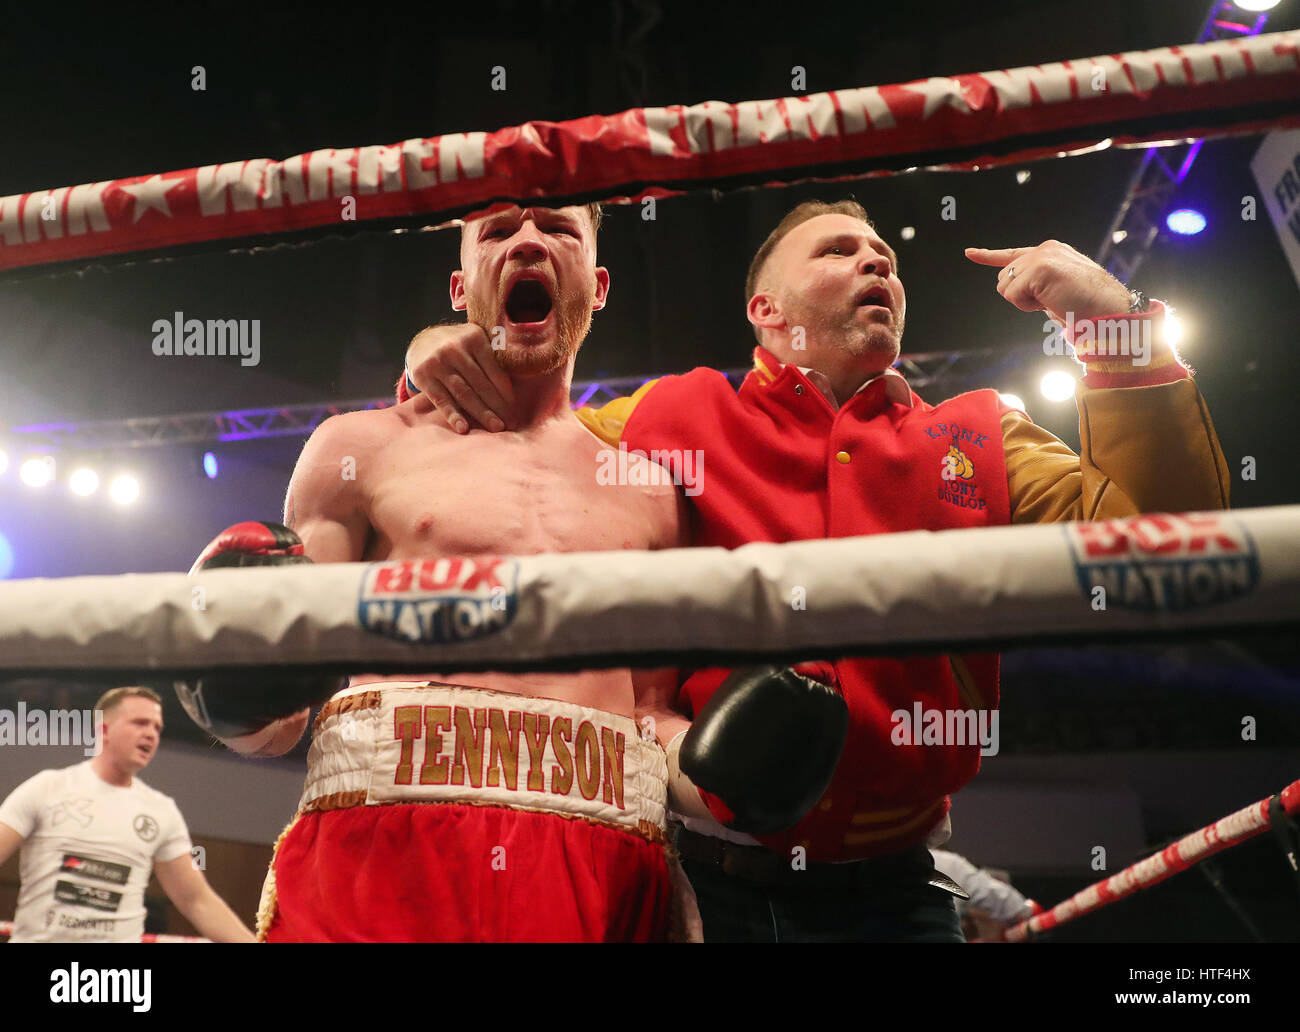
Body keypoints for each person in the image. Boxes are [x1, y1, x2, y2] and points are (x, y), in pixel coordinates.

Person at [398, 198, 1230, 942]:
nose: (875, 261)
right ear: (765, 309)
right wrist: (446, 347)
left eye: (885, 259)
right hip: (699, 880)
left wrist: (1113, 322)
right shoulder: (674, 416)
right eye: (838, 251)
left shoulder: (981, 438)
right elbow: (518, 448)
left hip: (900, 893)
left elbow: (1165, 545)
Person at [178, 202, 845, 942]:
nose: (528, 240)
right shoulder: (359, 447)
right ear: (462, 289)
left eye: (558, 229)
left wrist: (730, 775)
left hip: (596, 853)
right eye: (498, 231)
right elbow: (280, 714)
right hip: (390, 845)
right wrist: (227, 692)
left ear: (597, 286)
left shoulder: (651, 486)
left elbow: (648, 714)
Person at [0, 686, 255, 943]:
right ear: (104, 729)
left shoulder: (160, 811)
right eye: (140, 723)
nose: (151, 734)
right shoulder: (48, 788)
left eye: (156, 727)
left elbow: (197, 901)